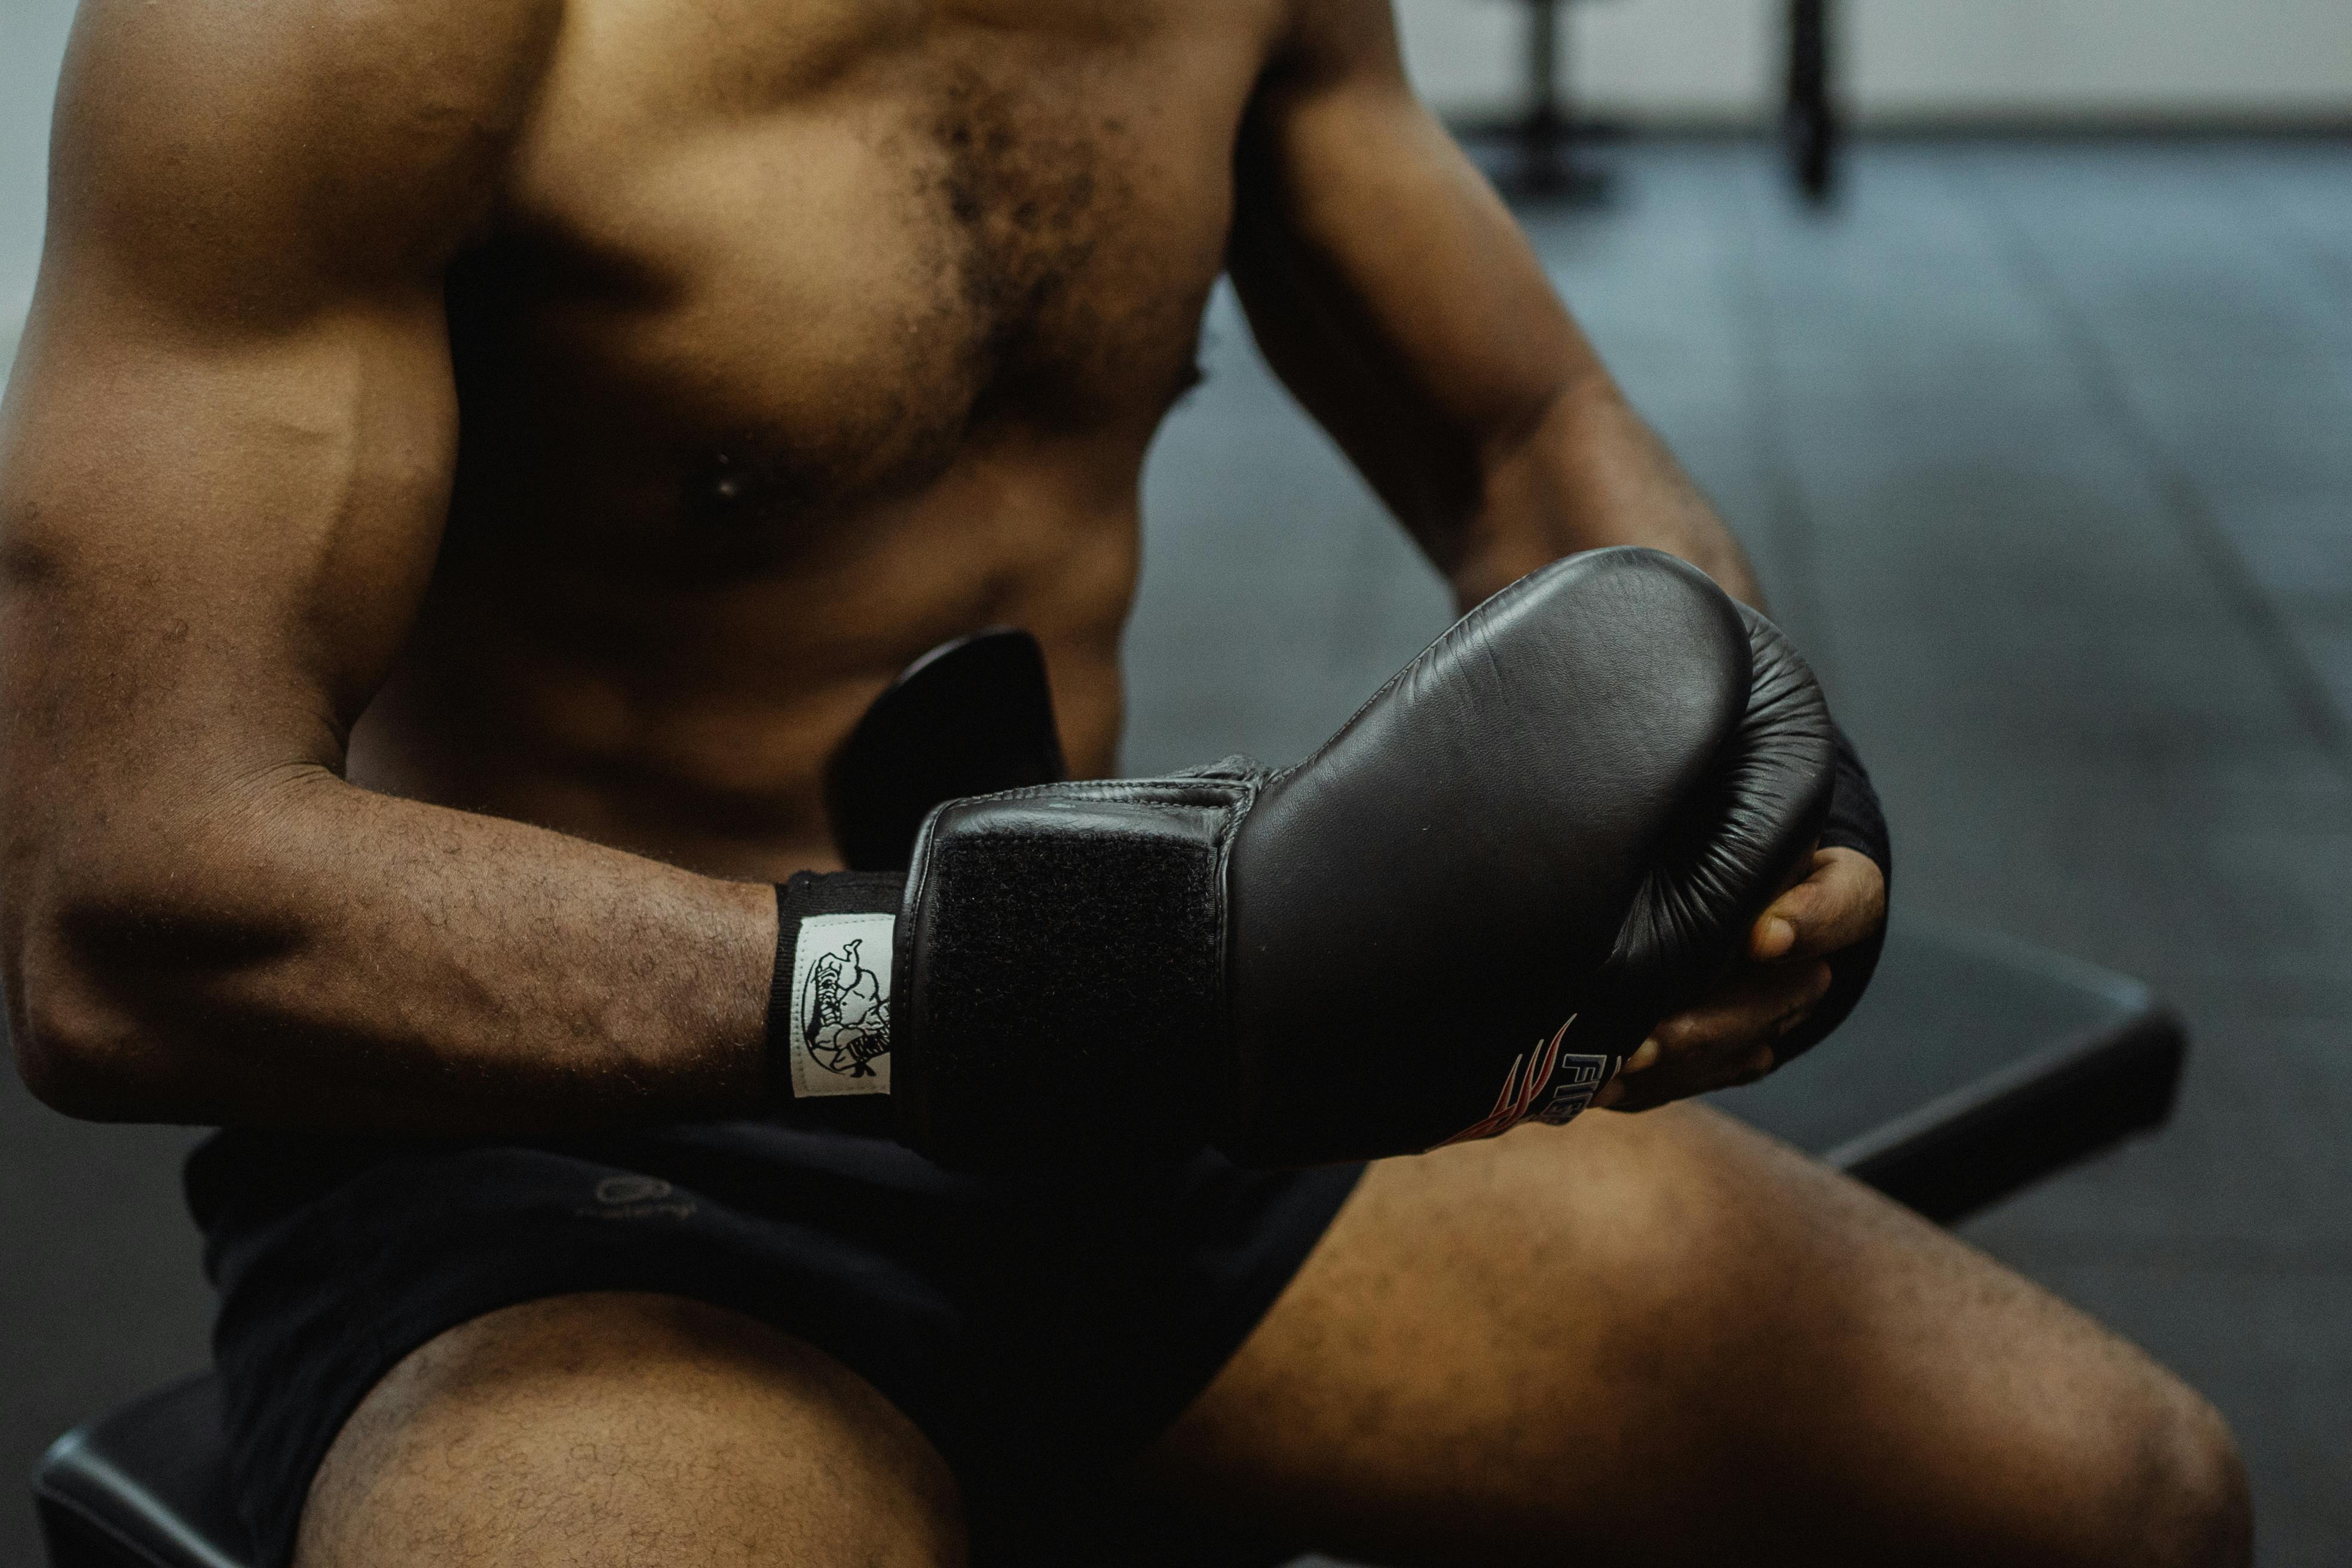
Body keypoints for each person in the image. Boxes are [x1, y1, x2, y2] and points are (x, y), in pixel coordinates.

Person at [0, 0, 2246, 1563]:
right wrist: (1009, 981)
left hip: (1145, 1070)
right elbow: (122, 906)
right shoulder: (352, 33)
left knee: (2119, 1497)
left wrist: (1728, 756)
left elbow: (1518, 430)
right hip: (561, 1168)